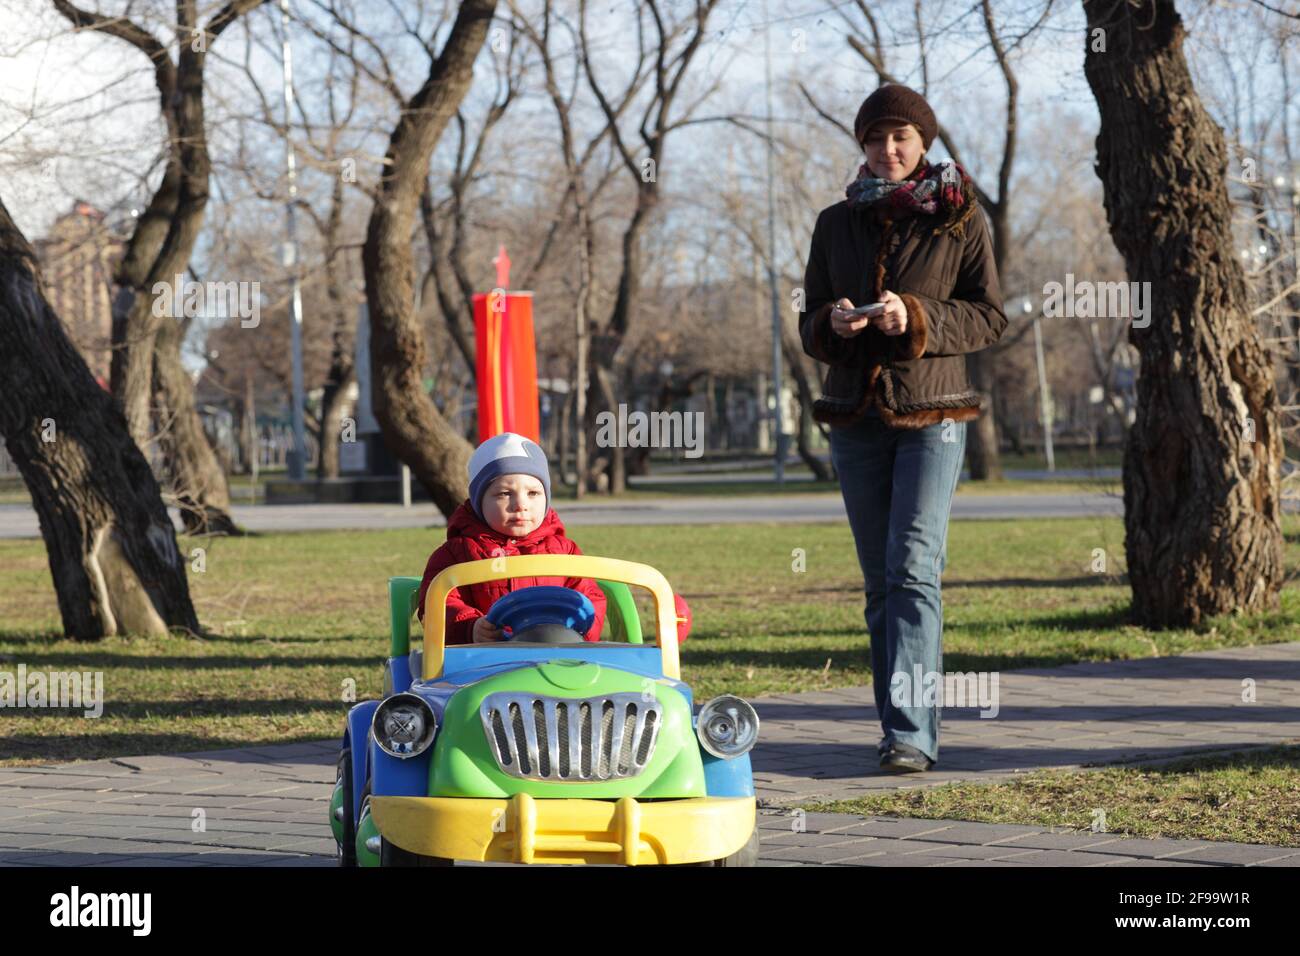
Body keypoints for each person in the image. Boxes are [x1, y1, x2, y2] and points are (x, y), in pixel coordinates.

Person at [798, 84, 1008, 773]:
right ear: (861, 144)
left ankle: (913, 736)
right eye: (876, 138)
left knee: (914, 568)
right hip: (854, 418)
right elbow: (809, 323)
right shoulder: (835, 223)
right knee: (880, 580)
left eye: (902, 139)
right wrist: (829, 323)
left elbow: (988, 317)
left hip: (933, 415)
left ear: (925, 145)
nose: (888, 150)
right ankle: (896, 729)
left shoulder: (960, 218)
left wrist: (913, 317)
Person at [416, 432, 607, 644]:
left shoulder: (565, 550)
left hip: (557, 655)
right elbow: (435, 605)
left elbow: (590, 598)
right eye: (504, 494)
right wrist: (470, 627)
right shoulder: (456, 553)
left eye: (533, 493)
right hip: (485, 662)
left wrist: (581, 631)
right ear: (479, 502)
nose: (521, 505)